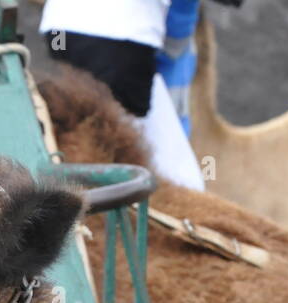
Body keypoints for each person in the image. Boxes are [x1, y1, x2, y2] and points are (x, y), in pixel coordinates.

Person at [41, 0, 242, 191]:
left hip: (60, 30)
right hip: (119, 36)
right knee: (179, 174)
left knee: (87, 129)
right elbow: (175, 45)